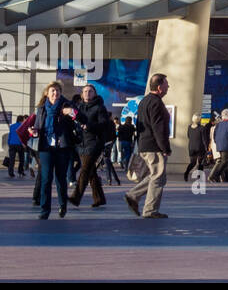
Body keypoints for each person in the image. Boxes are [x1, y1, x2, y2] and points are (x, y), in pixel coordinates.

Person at [24, 81, 80, 219]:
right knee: (46, 178)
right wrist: (34, 131)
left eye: (57, 91)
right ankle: (45, 210)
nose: (55, 93)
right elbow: (38, 127)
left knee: (60, 179)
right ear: (47, 93)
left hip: (62, 147)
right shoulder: (41, 109)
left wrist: (71, 113)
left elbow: (77, 120)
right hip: (45, 148)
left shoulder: (67, 106)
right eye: (53, 91)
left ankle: (62, 205)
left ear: (61, 93)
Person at [125, 73, 171, 219]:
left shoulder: (144, 101)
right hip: (154, 145)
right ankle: (149, 210)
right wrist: (165, 148)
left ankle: (133, 195)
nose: (168, 87)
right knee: (158, 177)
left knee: (156, 176)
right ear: (159, 87)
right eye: (166, 84)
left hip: (145, 144)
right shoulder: (156, 103)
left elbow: (140, 125)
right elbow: (158, 128)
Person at [69, 85, 114, 209]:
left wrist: (89, 126)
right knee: (90, 171)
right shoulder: (79, 107)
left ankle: (75, 197)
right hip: (81, 143)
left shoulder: (100, 108)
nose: (87, 93)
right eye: (85, 91)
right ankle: (99, 198)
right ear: (82, 94)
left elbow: (104, 124)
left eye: (90, 91)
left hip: (94, 143)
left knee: (84, 170)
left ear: (95, 93)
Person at [209, 109, 228, 183]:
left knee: (226, 162)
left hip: (220, 145)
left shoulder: (218, 124)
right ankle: (213, 176)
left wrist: (217, 142)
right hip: (226, 145)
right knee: (224, 161)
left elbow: (214, 135)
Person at [182, 115, 207, 182]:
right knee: (200, 163)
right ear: (199, 120)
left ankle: (186, 173)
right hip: (200, 147)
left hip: (191, 147)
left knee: (192, 163)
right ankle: (199, 177)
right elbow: (204, 139)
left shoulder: (189, 127)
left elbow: (188, 136)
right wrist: (206, 148)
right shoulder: (202, 128)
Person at [8, 113, 31, 178]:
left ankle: (11, 173)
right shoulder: (23, 126)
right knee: (21, 159)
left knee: (12, 159)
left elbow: (10, 135)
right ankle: (20, 171)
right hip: (20, 144)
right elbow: (23, 136)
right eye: (24, 119)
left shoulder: (12, 126)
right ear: (21, 120)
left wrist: (9, 143)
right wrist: (24, 143)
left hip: (12, 144)